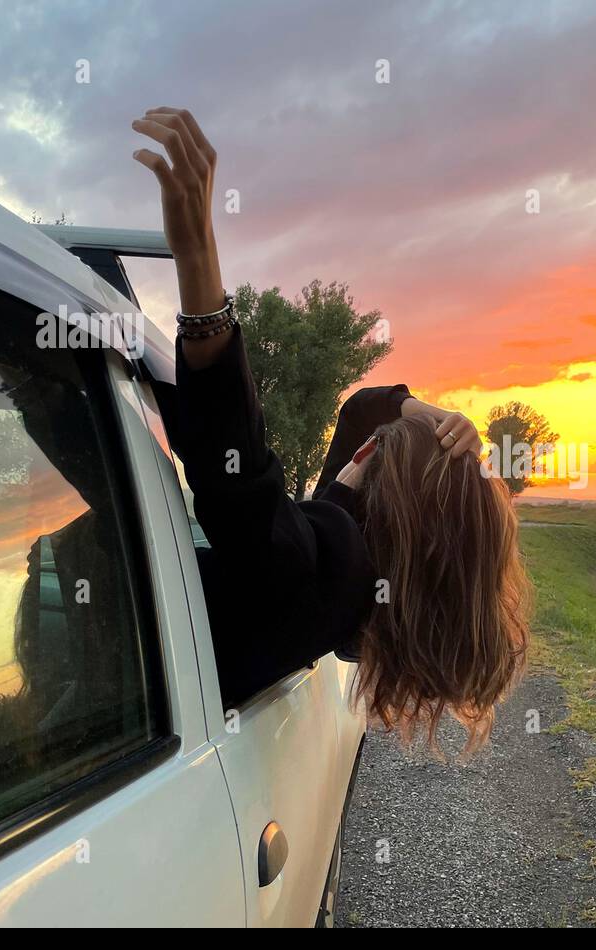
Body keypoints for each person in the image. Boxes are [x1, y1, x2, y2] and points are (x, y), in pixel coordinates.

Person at [131, 107, 530, 749]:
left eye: (375, 457)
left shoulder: (332, 568)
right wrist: (408, 412)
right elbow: (354, 414)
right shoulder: (348, 597)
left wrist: (199, 261)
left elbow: (241, 491)